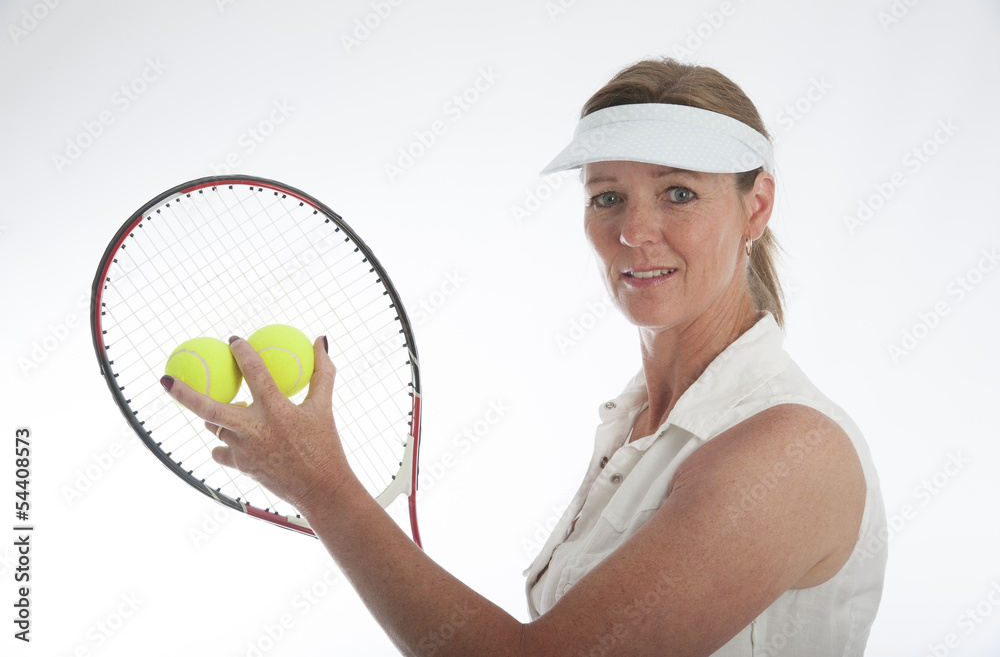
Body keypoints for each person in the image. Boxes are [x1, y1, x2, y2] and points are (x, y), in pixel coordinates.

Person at [161, 57, 888, 656]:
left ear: (756, 206)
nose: (636, 231)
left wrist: (325, 488)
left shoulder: (790, 450)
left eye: (677, 193)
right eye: (608, 198)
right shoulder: (639, 422)